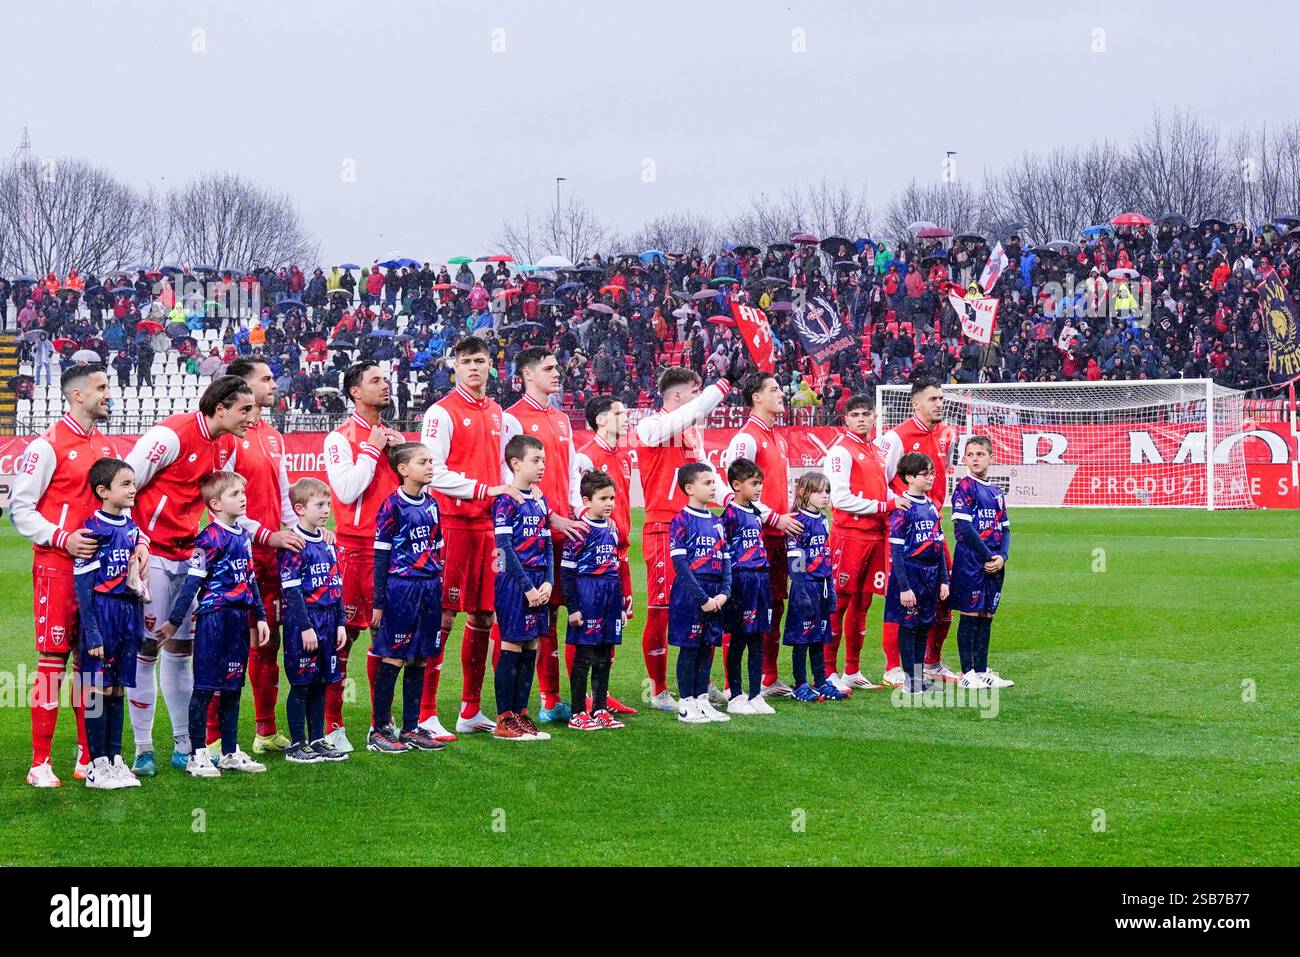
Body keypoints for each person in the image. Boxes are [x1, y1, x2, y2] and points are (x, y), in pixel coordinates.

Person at [124, 375, 282, 776]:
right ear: (219, 409)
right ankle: (143, 747)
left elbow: (226, 506)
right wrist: (132, 548)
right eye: (245, 409)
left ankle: (184, 745)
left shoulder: (227, 445)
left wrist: (264, 534)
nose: (252, 417)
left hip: (192, 555)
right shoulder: (171, 434)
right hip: (153, 553)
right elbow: (126, 485)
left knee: (181, 650)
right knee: (147, 648)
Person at [10, 364, 119, 787]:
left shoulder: (103, 443)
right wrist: (61, 538)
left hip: (97, 573)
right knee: (52, 663)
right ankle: (40, 764)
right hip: (58, 568)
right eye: (102, 387)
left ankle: (87, 757)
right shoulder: (47, 445)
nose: (109, 394)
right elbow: (21, 508)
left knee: (90, 665)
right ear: (78, 395)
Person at [421, 336, 521, 737]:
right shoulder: (440, 412)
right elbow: (432, 471)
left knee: (483, 615)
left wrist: (507, 491)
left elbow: (502, 468)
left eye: (480, 361)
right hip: (452, 524)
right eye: (467, 362)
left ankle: (470, 709)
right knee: (443, 616)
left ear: (490, 366)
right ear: (455, 368)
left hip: (487, 527)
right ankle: (426, 712)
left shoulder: (497, 413)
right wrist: (483, 490)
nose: (474, 368)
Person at [636, 368, 732, 712]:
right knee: (661, 610)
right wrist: (722, 385)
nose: (699, 401)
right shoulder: (649, 427)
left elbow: (708, 473)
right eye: (695, 392)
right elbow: (694, 411)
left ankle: (701, 683)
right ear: (677, 396)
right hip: (664, 526)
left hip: (699, 528)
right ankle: (659, 689)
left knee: (706, 604)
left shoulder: (692, 433)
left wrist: (729, 499)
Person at [163, 471, 271, 777]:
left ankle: (229, 752)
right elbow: (192, 583)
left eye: (242, 492)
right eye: (235, 494)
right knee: (206, 687)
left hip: (238, 619)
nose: (243, 498)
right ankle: (198, 754)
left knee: (233, 686)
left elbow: (250, 579)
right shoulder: (207, 538)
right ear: (215, 504)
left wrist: (260, 616)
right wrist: (173, 621)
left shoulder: (243, 537)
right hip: (214, 619)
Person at [224, 358, 306, 755]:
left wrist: (297, 532)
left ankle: (265, 731)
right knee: (228, 647)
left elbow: (283, 491)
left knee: (267, 642)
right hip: (239, 558)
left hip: (273, 558)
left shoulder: (273, 435)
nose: (275, 384)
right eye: (267, 378)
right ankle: (210, 737)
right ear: (243, 385)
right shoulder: (227, 438)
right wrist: (264, 534)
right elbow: (220, 504)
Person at [500, 347, 584, 724]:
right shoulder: (510, 418)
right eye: (549, 368)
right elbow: (508, 483)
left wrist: (572, 512)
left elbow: (567, 475)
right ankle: (518, 707)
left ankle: (556, 700)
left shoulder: (563, 419)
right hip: (528, 532)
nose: (557, 373)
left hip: (561, 527)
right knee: (518, 619)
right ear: (527, 374)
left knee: (557, 612)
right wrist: (550, 517)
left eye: (557, 366)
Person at [322, 361, 403, 753]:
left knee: (386, 638)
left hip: (393, 552)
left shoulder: (395, 437)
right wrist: (373, 448)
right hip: (355, 551)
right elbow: (347, 489)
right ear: (355, 392)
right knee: (344, 637)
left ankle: (380, 726)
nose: (384, 385)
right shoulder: (340, 438)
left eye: (385, 379)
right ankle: (332, 725)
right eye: (375, 381)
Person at [720, 372, 801, 697]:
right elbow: (731, 490)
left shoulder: (777, 437)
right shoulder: (746, 438)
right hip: (752, 540)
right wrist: (773, 518)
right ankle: (731, 686)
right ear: (756, 397)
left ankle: (768, 676)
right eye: (773, 389)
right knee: (742, 609)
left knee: (774, 605)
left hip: (777, 538)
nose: (781, 394)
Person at [71, 458, 148, 790]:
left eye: (133, 483)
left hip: (127, 615)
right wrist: (91, 631)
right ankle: (95, 764)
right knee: (98, 690)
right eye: (125, 484)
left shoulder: (131, 528)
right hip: (103, 614)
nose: (133, 489)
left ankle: (115, 760)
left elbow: (140, 546)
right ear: (103, 492)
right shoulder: (92, 531)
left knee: (118, 689)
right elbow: (82, 587)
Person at [876, 378, 957, 687]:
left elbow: (942, 477)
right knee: (900, 595)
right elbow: (879, 478)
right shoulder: (896, 438)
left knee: (945, 592)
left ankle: (932, 662)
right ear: (916, 404)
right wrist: (897, 508)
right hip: (904, 531)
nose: (939, 403)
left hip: (932, 526)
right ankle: (894, 667)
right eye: (933, 398)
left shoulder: (946, 435)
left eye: (941, 398)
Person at [369, 443, 448, 754]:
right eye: (423, 461)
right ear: (403, 469)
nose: (430, 466)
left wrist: (438, 585)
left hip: (429, 588)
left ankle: (412, 728)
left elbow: (438, 549)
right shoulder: (391, 506)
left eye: (431, 460)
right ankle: (380, 729)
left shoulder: (432, 504)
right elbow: (381, 557)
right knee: (395, 655)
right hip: (401, 588)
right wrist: (378, 602)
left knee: (420, 656)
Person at [823, 394, 896, 692]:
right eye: (855, 415)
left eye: (867, 414)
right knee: (838, 602)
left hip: (875, 535)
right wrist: (884, 506)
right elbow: (838, 498)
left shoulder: (877, 451)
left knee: (863, 602)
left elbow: (884, 491)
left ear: (875, 417)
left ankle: (853, 669)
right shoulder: (840, 452)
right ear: (846, 419)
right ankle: (828, 670)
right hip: (848, 535)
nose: (862, 419)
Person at [572, 395, 637, 715]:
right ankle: (580, 698)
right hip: (595, 557)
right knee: (587, 628)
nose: (625, 417)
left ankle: (601, 693)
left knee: (614, 625)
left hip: (619, 552)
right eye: (618, 412)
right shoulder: (586, 458)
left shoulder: (623, 455)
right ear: (600, 420)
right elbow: (579, 506)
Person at [278, 478, 349, 764]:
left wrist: (341, 622)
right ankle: (297, 743)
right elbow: (291, 589)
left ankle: (317, 739)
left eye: (328, 504)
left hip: (329, 621)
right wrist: (305, 626)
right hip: (304, 623)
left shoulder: (328, 542)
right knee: (302, 683)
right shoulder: (294, 543)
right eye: (319, 505)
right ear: (299, 508)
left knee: (322, 682)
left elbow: (336, 584)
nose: (326, 510)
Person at [490, 435, 554, 742]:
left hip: (538, 583)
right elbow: (503, 548)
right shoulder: (505, 501)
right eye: (536, 460)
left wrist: (549, 582)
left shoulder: (541, 500)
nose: (542, 466)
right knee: (513, 645)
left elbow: (549, 544)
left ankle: (521, 713)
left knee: (532, 646)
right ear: (516, 464)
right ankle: (504, 718)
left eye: (543, 460)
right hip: (514, 584)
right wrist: (527, 586)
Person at [560, 471, 626, 731]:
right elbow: (567, 571)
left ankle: (599, 709)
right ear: (587, 501)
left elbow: (615, 568)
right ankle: (578, 712)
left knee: (604, 656)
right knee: (584, 656)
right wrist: (574, 607)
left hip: (609, 594)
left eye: (612, 498)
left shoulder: (612, 529)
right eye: (603, 498)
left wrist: (620, 606)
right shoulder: (579, 530)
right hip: (588, 593)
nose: (609, 503)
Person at [667, 462, 731, 725]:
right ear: (690, 488)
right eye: (707, 483)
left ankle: (702, 699)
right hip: (691, 594)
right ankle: (686, 704)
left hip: (715, 594)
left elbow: (727, 560)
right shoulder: (681, 520)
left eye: (714, 482)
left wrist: (724, 593)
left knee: (707, 648)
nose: (713, 486)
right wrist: (702, 598)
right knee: (690, 648)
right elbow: (680, 564)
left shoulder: (718, 522)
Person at [949, 437, 1014, 689]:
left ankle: (982, 669)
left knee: (986, 614)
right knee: (970, 613)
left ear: (992, 458)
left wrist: (1003, 557)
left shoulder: (997, 492)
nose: (975, 458)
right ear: (964, 459)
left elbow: (1006, 528)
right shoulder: (964, 487)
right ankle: (967, 674)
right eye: (970, 454)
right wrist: (989, 556)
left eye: (980, 453)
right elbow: (964, 527)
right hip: (972, 561)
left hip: (995, 562)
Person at [883, 453, 949, 695]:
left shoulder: (931, 506)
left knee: (923, 626)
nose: (930, 477)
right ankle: (910, 680)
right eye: (925, 473)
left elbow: (939, 544)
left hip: (931, 575)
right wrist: (903, 587)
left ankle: (919, 677)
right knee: (909, 626)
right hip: (911, 572)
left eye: (931, 472)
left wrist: (944, 579)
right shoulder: (903, 508)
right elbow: (896, 550)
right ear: (909, 477)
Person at [719, 458, 777, 716]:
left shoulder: (755, 513)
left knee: (757, 639)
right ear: (736, 485)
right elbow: (723, 552)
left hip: (760, 580)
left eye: (760, 483)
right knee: (739, 638)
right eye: (754, 483)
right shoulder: (729, 515)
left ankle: (756, 694)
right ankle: (736, 693)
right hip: (740, 581)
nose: (759, 488)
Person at [784, 472, 847, 702]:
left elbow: (826, 556)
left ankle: (820, 682)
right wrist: (800, 592)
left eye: (827, 491)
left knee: (819, 637)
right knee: (802, 639)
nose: (825, 496)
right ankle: (800, 684)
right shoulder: (797, 521)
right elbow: (795, 559)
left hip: (821, 585)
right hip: (806, 586)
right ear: (803, 492)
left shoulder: (822, 519)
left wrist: (829, 588)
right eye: (819, 491)